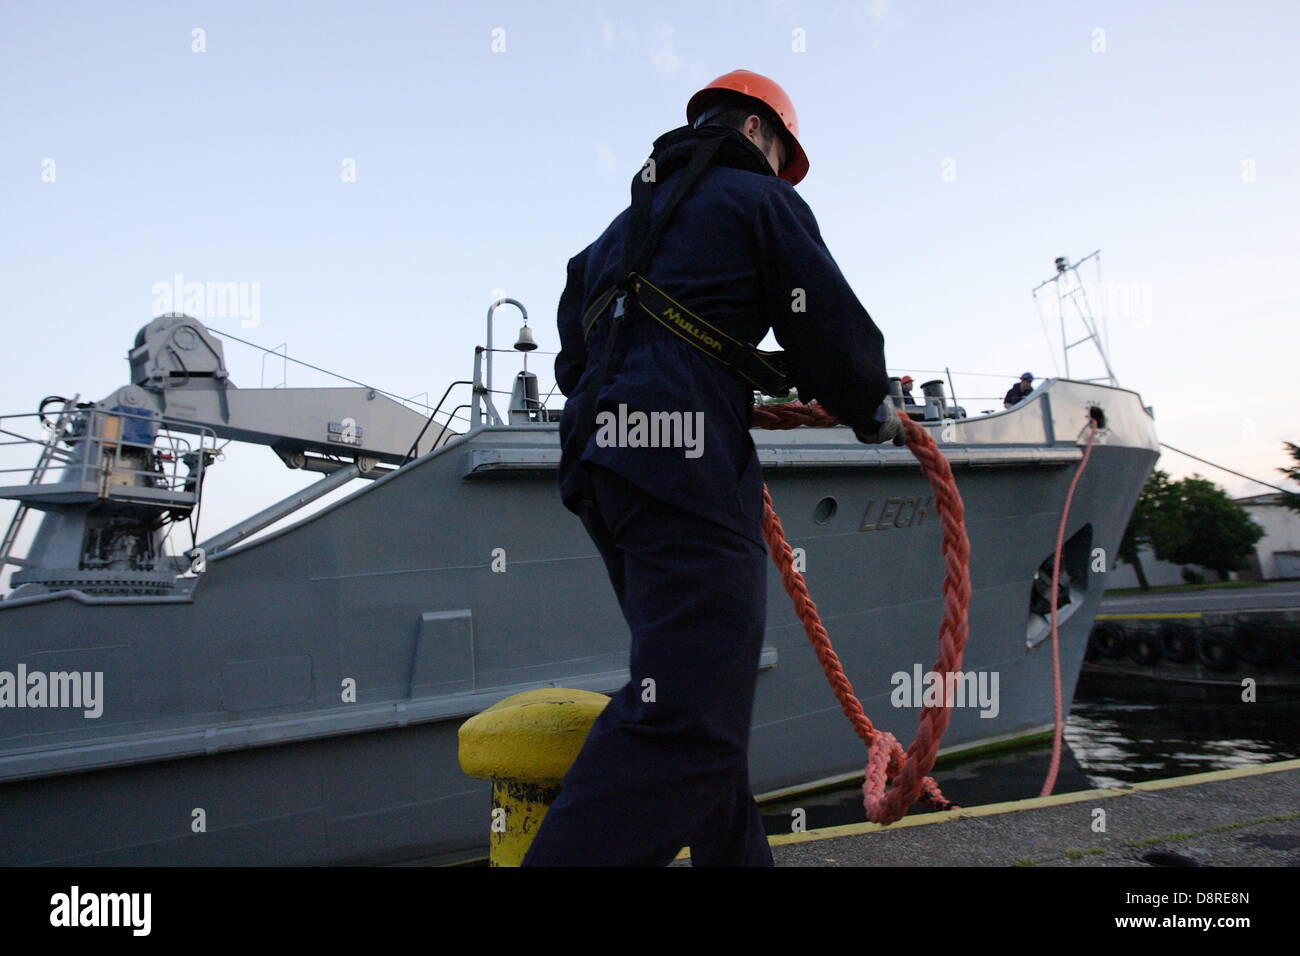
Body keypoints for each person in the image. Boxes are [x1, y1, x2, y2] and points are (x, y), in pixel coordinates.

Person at [521, 69, 898, 867]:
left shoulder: (613, 235)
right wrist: (870, 404)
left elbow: (573, 360)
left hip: (600, 465)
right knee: (688, 719)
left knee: (695, 694)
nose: (779, 172)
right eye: (781, 156)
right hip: (684, 461)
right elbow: (821, 319)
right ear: (759, 131)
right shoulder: (759, 200)